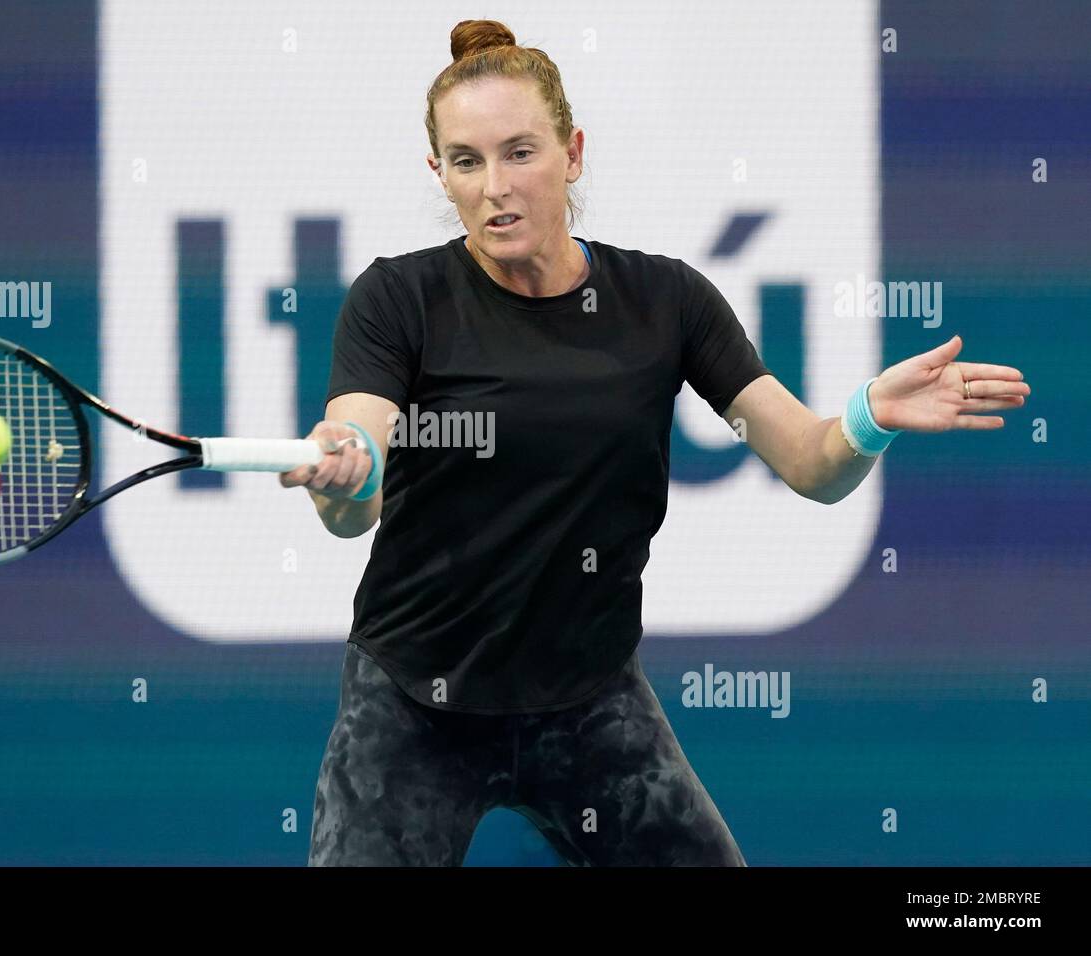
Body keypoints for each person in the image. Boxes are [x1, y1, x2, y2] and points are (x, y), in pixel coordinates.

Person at [281, 19, 1031, 866]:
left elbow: (811, 465)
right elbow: (357, 486)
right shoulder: (398, 297)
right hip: (413, 703)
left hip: (590, 701)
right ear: (439, 174)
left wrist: (868, 417)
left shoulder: (668, 301)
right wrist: (341, 475)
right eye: (467, 161)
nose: (496, 187)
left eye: (521, 152)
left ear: (573, 152)